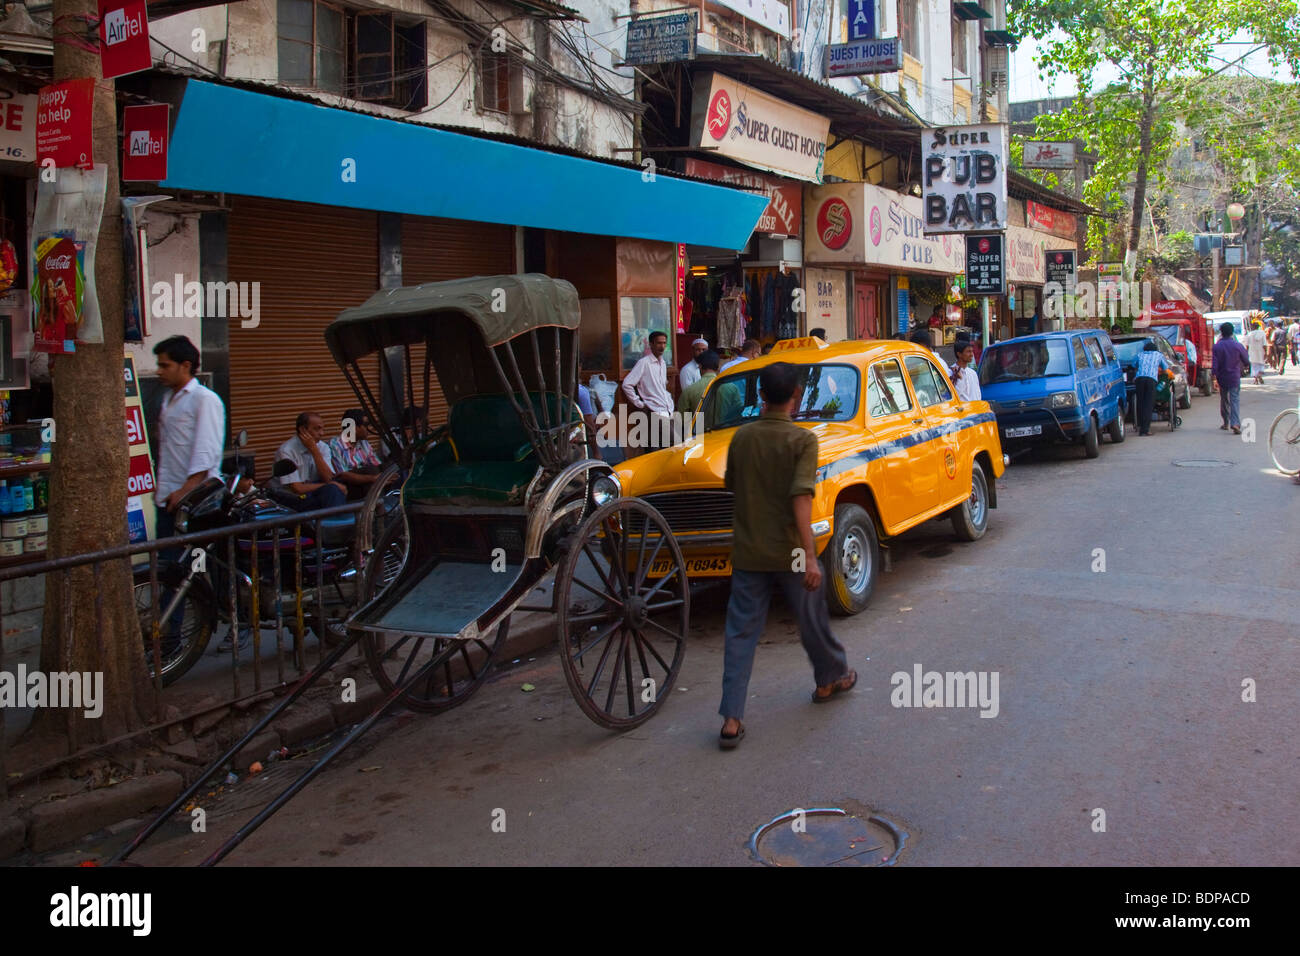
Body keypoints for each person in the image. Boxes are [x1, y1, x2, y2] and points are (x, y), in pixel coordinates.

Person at [717, 362, 855, 749]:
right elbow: (801, 498)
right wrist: (810, 557)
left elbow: (732, 486)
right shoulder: (802, 441)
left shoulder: (741, 438)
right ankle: (831, 676)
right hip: (791, 551)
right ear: (795, 396)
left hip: (748, 552)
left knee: (740, 634)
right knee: (811, 616)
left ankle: (731, 718)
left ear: (761, 396)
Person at [152, 336, 227, 648]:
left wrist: (185, 490)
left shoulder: (204, 399)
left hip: (194, 502)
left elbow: (206, 452)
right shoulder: (169, 400)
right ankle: (169, 638)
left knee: (195, 571)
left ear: (186, 366)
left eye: (164, 365)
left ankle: (176, 639)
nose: (159, 371)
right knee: (171, 571)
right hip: (168, 498)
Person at [273, 412, 349, 510]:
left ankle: (338, 522)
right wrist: (330, 485)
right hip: (291, 496)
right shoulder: (286, 450)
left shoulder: (322, 447)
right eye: (317, 429)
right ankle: (335, 522)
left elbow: (328, 478)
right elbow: (297, 488)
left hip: (313, 489)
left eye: (322, 429)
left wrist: (315, 452)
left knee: (334, 489)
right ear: (302, 430)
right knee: (333, 489)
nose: (322, 433)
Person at [621, 330, 675, 452]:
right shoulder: (644, 363)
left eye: (664, 343)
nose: (662, 346)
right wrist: (639, 403)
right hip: (654, 410)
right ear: (651, 344)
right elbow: (627, 384)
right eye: (658, 343)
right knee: (662, 447)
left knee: (665, 448)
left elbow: (662, 386)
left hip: (666, 410)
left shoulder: (663, 363)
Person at [327, 409, 384, 500]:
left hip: (365, 483)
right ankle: (377, 510)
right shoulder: (335, 445)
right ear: (354, 428)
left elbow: (376, 464)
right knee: (370, 471)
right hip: (347, 486)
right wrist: (372, 478)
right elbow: (342, 475)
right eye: (366, 425)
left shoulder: (363, 443)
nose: (369, 429)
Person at [1212, 321, 1251, 434]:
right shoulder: (1237, 345)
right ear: (1232, 332)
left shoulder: (1217, 346)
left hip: (1222, 377)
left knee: (1224, 399)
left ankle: (1225, 422)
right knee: (1234, 400)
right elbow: (1246, 361)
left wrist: (1214, 377)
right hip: (1234, 376)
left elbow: (1215, 364)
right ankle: (1235, 423)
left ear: (1221, 333)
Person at [1134, 340, 1171, 436]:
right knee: (1148, 404)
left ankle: (1141, 426)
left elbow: (1134, 365)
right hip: (1151, 380)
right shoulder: (1158, 355)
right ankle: (1145, 430)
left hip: (1139, 379)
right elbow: (1165, 368)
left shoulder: (1140, 355)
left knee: (1141, 403)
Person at [677, 349, 719, 434]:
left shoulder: (689, 391)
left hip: (699, 437)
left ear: (700, 366)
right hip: (724, 436)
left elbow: (682, 420)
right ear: (718, 367)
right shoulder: (731, 387)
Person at [950, 337, 981, 402]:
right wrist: (959, 378)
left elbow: (977, 394)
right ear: (959, 354)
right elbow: (954, 395)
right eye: (968, 352)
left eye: (972, 351)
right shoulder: (950, 372)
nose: (972, 355)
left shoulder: (972, 373)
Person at [1245, 319, 1268, 384]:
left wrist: (1246, 352)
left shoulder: (1249, 334)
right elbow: (1264, 344)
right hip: (1260, 351)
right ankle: (1259, 374)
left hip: (1252, 351)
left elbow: (1247, 345)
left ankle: (1255, 379)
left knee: (1254, 366)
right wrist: (1265, 352)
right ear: (1258, 327)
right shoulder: (1262, 333)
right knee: (1261, 364)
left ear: (1252, 327)